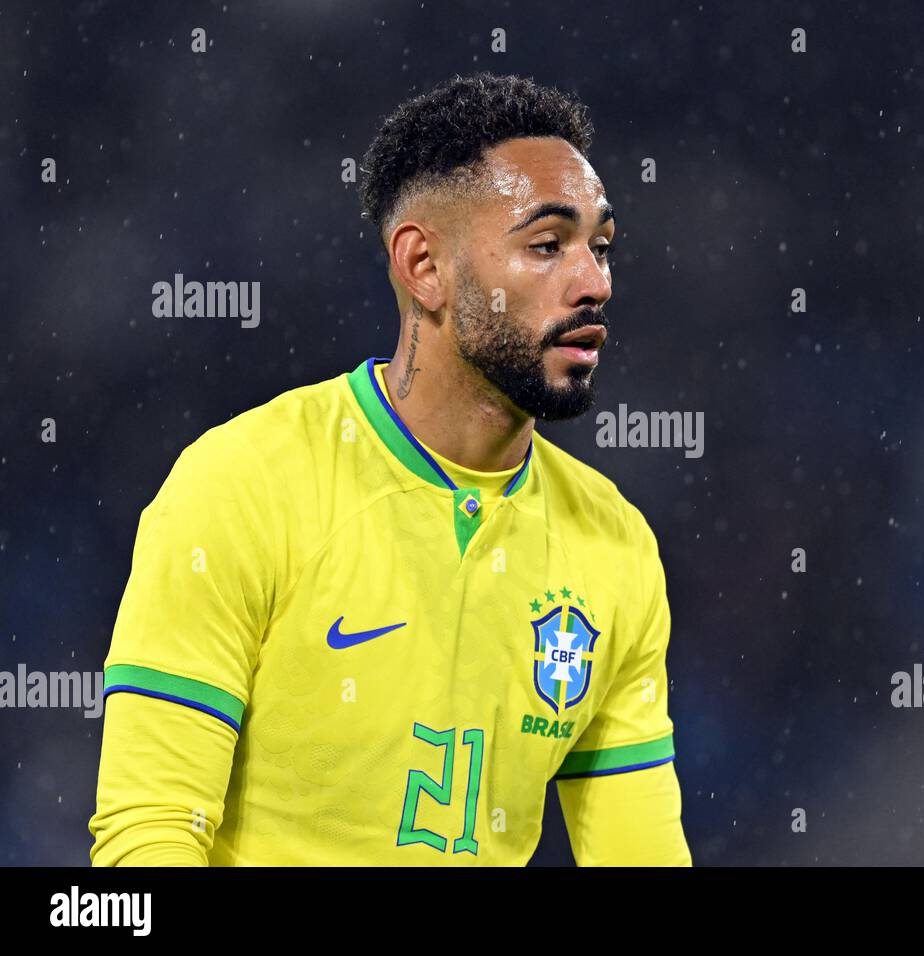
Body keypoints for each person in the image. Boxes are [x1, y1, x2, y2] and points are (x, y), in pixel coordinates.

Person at [88, 72, 690, 866]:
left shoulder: (615, 544)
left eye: (601, 248)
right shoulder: (243, 485)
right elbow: (148, 840)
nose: (596, 283)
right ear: (424, 266)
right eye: (548, 246)